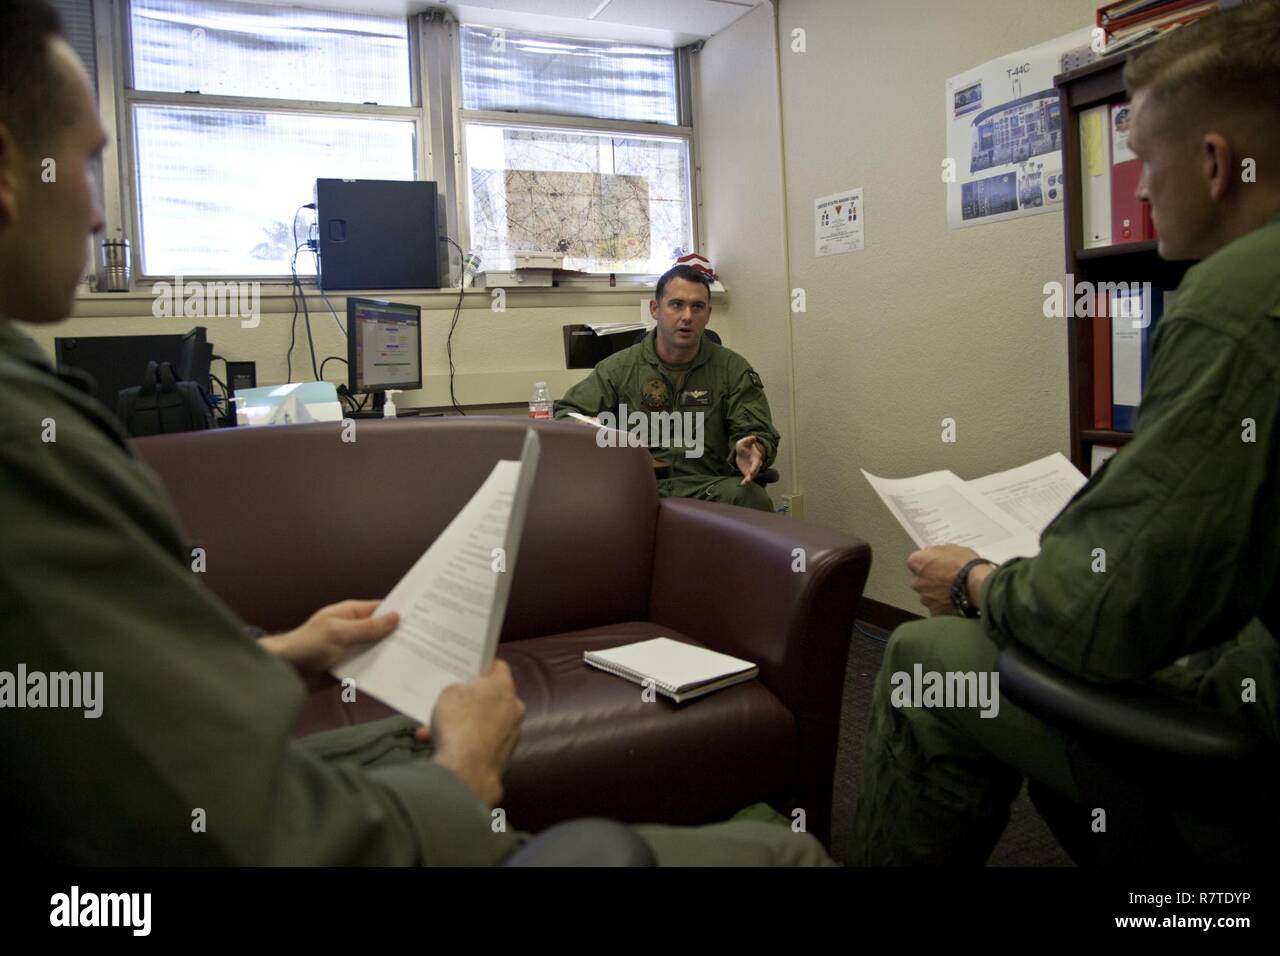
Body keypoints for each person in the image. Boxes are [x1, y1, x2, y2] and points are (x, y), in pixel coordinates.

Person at [0, 0, 830, 866]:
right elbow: (245, 823)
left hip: (702, 502)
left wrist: (282, 652)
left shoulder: (732, 371)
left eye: (701, 305)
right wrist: (464, 770)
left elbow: (136, 688)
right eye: (91, 165)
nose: (99, 216)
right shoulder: (28, 448)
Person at [851, 0, 1280, 865]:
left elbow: (1103, 614)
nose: (1133, 193)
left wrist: (980, 581)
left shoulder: (1246, 296)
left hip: (1274, 729)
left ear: (1213, 164)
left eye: (1142, 163)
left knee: (925, 655)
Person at [554, 265, 780, 512]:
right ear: (655, 309)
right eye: (676, 305)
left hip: (709, 486)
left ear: (708, 313)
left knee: (752, 498)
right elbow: (567, 413)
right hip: (639, 485)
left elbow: (756, 430)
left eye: (697, 307)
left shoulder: (732, 369)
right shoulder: (618, 368)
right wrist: (587, 428)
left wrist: (755, 448)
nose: (687, 316)